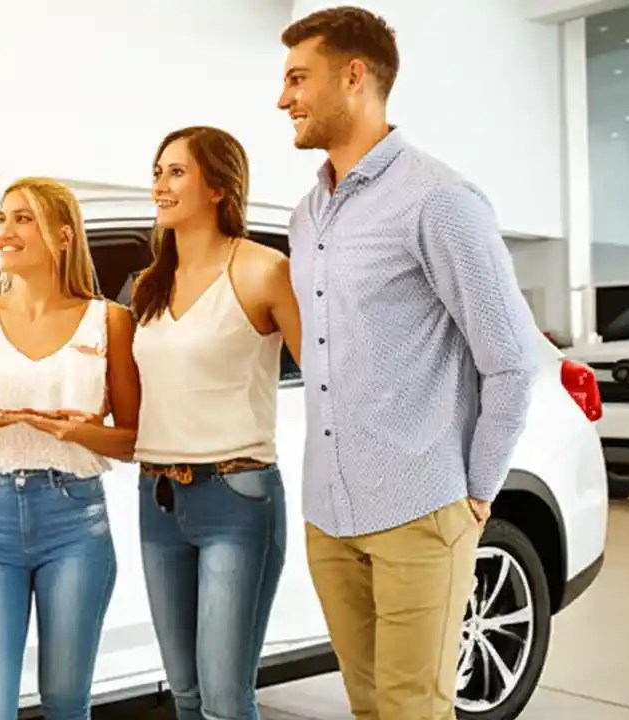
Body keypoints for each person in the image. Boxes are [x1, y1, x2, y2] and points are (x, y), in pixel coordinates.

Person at [277, 8, 540, 719]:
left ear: (353, 76)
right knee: (367, 706)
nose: (283, 98)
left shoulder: (438, 201)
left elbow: (511, 361)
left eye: (298, 78)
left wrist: (474, 493)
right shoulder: (307, 214)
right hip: (329, 512)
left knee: (413, 711)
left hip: (421, 509)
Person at [0, 177, 140, 720]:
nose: (5, 231)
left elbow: (132, 440)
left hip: (75, 522)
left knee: (67, 705)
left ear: (64, 236)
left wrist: (74, 430)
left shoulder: (109, 321)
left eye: (23, 218)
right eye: (2, 218)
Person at [129, 126, 302, 720]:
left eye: (176, 172)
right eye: (157, 172)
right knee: (186, 695)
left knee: (225, 701)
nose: (160, 184)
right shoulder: (149, 286)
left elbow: (330, 375)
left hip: (237, 495)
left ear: (219, 189)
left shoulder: (263, 271)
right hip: (157, 498)